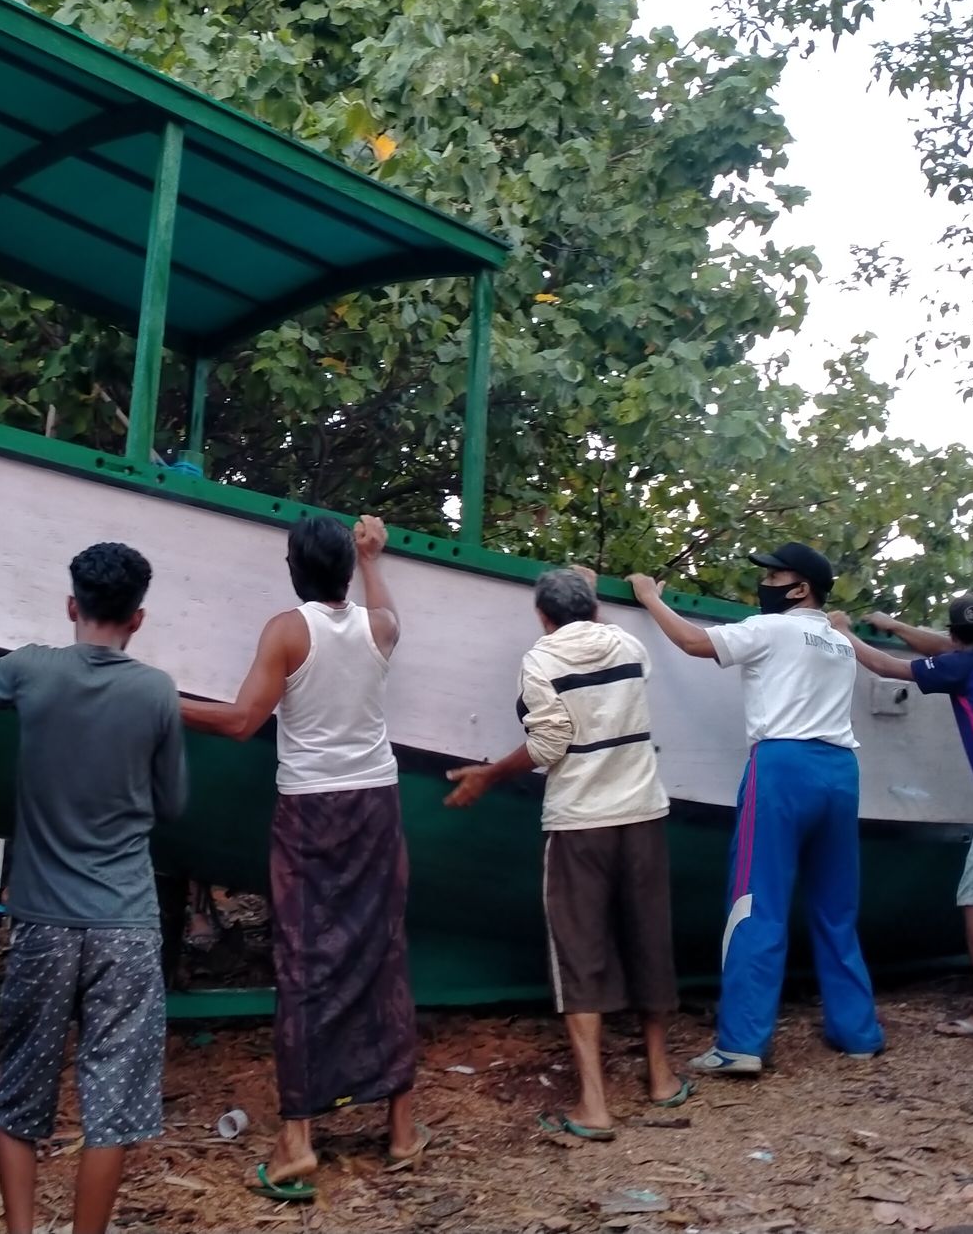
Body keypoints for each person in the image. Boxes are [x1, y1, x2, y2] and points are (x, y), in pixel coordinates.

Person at [180, 514, 423, 1202]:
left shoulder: (288, 630)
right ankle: (403, 1130)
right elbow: (387, 609)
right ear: (346, 567)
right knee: (383, 952)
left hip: (312, 810)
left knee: (304, 959)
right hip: (377, 802)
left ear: (293, 568)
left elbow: (240, 721)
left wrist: (157, 697)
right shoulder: (379, 630)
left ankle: (298, 1141)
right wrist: (376, 556)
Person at [0, 543, 187, 1234]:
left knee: (22, 1089)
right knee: (111, 1105)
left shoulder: (31, 671)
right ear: (138, 619)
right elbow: (171, 805)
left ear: (70, 606)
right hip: (127, 924)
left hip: (44, 923)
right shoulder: (156, 691)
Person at [443, 567, 686, 1139]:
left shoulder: (540, 660)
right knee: (649, 939)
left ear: (542, 616)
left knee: (580, 953)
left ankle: (595, 1106)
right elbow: (601, 639)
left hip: (581, 822)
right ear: (595, 607)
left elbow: (550, 743)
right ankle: (661, 1078)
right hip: (643, 815)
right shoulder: (629, 644)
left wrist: (490, 774)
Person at [630, 542, 883, 1075]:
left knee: (755, 902)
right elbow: (830, 625)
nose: (763, 583)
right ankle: (857, 1031)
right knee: (836, 909)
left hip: (782, 766)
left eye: (774, 575)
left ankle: (741, 1043)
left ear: (800, 587)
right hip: (840, 772)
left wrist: (650, 596)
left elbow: (695, 642)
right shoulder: (838, 640)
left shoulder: (772, 629)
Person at [832, 594, 973, 1039]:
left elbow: (885, 668)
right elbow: (947, 649)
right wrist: (896, 627)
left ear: (956, 638)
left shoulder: (960, 667)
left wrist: (843, 631)